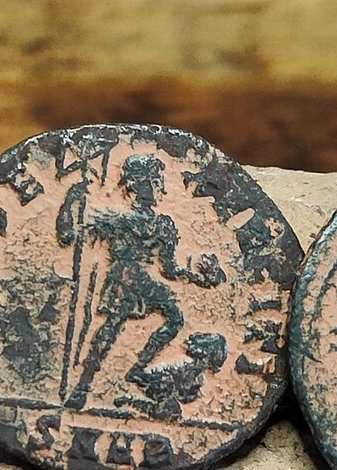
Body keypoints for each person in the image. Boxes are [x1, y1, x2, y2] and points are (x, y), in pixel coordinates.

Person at [64, 154, 225, 411]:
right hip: (124, 278)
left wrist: (198, 278)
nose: (161, 187)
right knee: (111, 327)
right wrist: (71, 201)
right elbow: (68, 235)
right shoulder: (117, 221)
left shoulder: (163, 225)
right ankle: (83, 387)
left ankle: (137, 369)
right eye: (156, 181)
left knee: (174, 318)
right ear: (139, 184)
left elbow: (169, 269)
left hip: (144, 281)